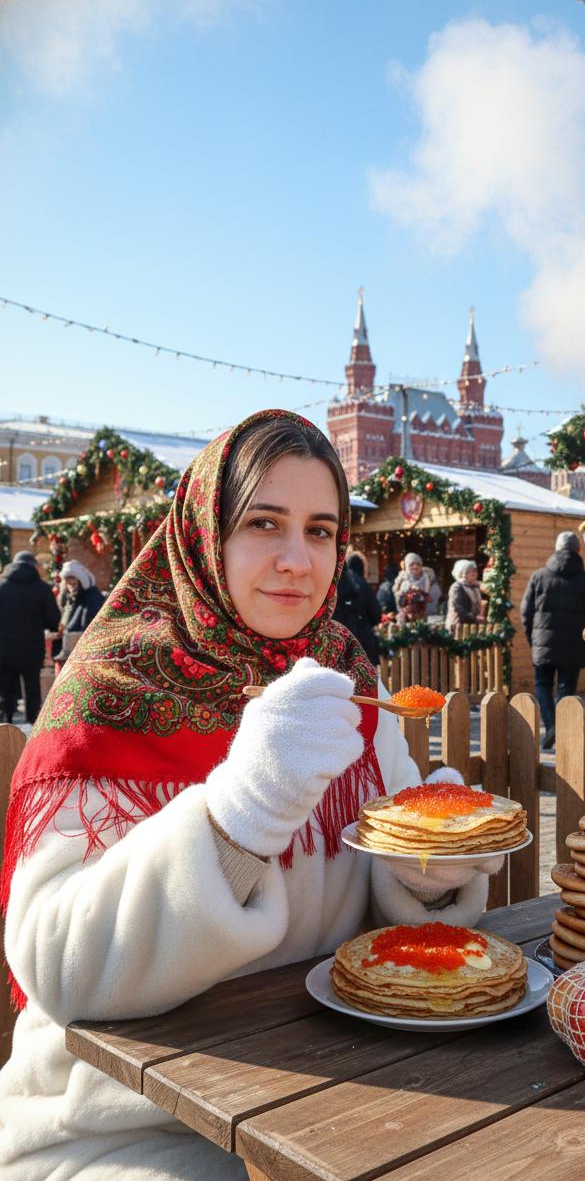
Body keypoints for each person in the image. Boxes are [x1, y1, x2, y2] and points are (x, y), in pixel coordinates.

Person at [0, 410, 498, 1181]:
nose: (298, 560)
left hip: (327, 1096)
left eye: (322, 530)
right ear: (204, 532)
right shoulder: (110, 692)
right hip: (127, 1126)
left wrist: (424, 879)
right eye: (264, 523)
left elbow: (380, 906)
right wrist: (241, 813)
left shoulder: (350, 683)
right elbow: (57, 967)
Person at [521, 530, 585, 750]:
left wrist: (533, 639)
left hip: (542, 642)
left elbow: (525, 612)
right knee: (566, 690)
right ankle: (559, 728)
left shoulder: (539, 576)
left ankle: (551, 726)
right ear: (577, 550)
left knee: (542, 685)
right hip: (574, 644)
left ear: (556, 549)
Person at [0, 550, 60, 725]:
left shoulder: (1, 586)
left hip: (3, 650)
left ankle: (6, 726)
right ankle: (33, 728)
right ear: (33, 565)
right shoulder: (42, 588)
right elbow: (53, 620)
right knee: (32, 689)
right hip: (31, 649)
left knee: (6, 690)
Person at [52, 559, 105, 670]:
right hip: (68, 652)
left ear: (80, 582)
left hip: (79, 654)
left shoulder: (89, 600)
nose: (71, 587)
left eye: (74, 583)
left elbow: (83, 627)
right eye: (68, 584)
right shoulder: (69, 600)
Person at [332, 552, 382, 665]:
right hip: (363, 643)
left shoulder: (331, 586)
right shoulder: (362, 585)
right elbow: (376, 614)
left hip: (339, 645)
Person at [393, 552, 434, 623]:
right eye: (411, 565)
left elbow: (428, 594)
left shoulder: (426, 578)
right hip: (405, 610)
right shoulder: (402, 578)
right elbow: (396, 592)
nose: (415, 567)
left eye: (418, 564)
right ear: (406, 566)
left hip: (421, 610)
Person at [445, 559, 483, 632]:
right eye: (469, 571)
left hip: (472, 625)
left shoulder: (476, 586)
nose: (473, 573)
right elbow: (458, 607)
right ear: (462, 574)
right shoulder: (457, 587)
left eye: (474, 571)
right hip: (458, 625)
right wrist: (474, 618)